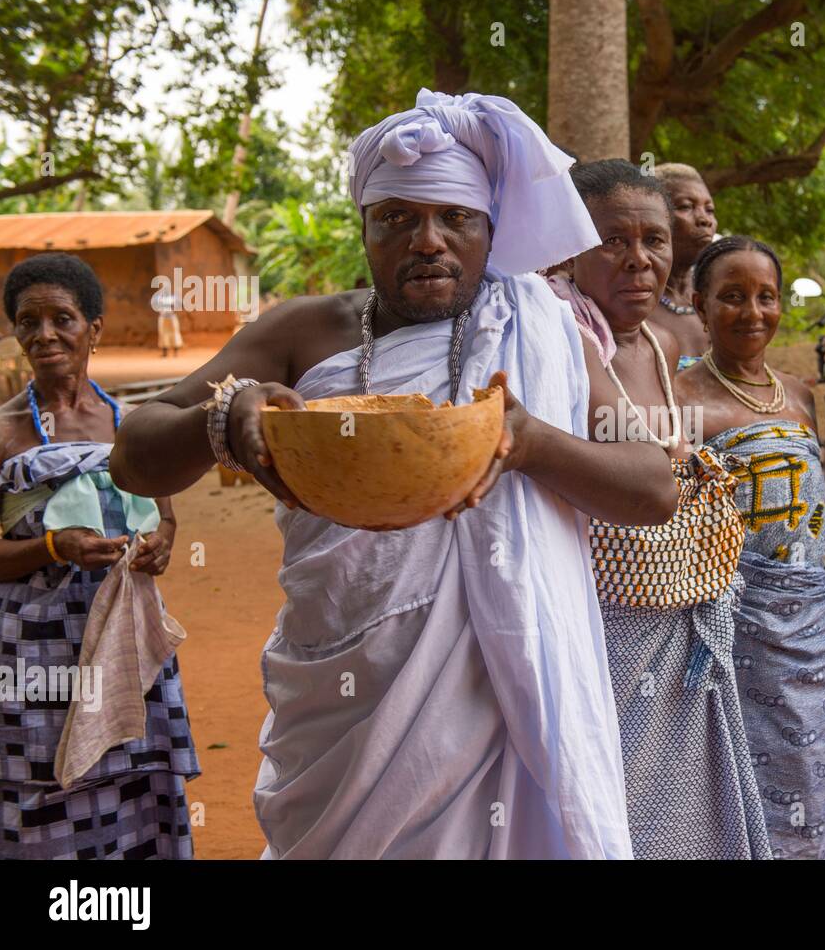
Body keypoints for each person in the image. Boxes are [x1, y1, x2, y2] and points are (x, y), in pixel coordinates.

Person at [109, 91, 681, 860]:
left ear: (490, 228)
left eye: (456, 218)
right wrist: (227, 419)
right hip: (347, 686)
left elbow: (653, 486)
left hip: (498, 692)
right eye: (399, 219)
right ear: (366, 228)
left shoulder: (542, 328)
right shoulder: (304, 332)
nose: (430, 241)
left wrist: (529, 441)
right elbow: (133, 453)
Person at [552, 160, 770, 859]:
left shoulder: (661, 341)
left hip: (677, 615)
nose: (640, 260)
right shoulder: (558, 335)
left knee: (679, 810)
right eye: (614, 240)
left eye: (656, 240)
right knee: (602, 807)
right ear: (568, 245)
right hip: (594, 620)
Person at [0, 253, 194, 858]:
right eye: (28, 322)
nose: (45, 334)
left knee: (133, 779)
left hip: (128, 645)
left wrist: (162, 544)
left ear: (95, 328)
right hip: (35, 652)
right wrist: (56, 546)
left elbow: (163, 516)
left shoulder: (132, 426)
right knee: (41, 786)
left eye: (63, 318)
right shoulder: (5, 431)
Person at [676, 235, 825, 859]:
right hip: (729, 628)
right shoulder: (683, 399)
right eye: (732, 297)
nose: (753, 313)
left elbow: (823, 516)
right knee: (729, 784)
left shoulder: (800, 395)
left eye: (766, 297)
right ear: (699, 304)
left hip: (816, 629)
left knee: (809, 778)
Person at [649, 163, 716, 368]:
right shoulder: (632, 304)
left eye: (710, 209)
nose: (705, 219)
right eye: (686, 206)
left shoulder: (719, 299)